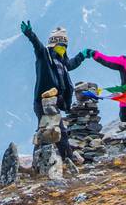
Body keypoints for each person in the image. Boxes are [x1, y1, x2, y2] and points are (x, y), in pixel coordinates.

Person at [20, 20, 91, 165]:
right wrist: (30, 34)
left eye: (65, 46)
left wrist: (82, 55)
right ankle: (68, 160)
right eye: (61, 45)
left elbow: (70, 65)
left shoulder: (61, 61)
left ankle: (40, 164)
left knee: (46, 132)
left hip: (54, 103)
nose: (63, 48)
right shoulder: (44, 56)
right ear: (54, 44)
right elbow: (38, 46)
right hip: (43, 102)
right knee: (58, 132)